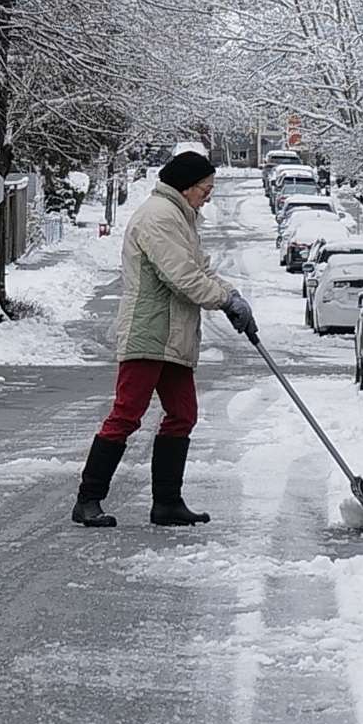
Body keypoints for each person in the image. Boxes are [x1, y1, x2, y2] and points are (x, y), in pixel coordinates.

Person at [72, 150, 258, 528]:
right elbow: (183, 278)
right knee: (127, 414)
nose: (208, 196)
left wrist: (233, 295)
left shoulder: (181, 216)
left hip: (175, 333)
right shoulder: (159, 217)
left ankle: (167, 502)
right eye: (205, 189)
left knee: (182, 415)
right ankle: (88, 499)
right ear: (186, 186)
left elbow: (200, 269)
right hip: (150, 329)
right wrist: (224, 301)